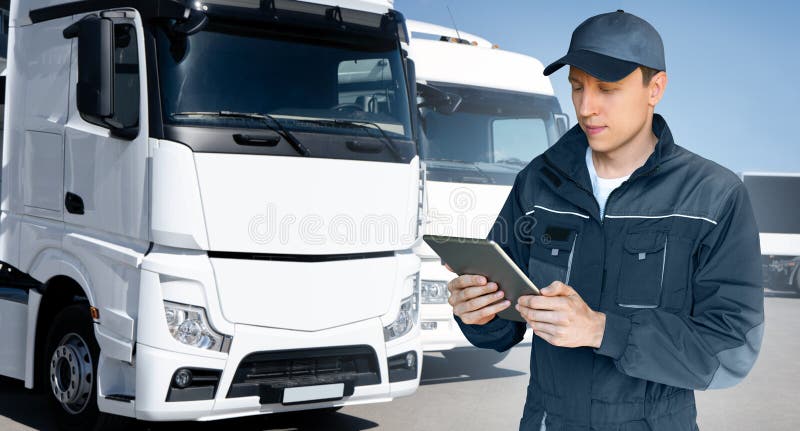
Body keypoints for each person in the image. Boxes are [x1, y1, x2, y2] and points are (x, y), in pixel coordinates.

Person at [446, 10, 764, 431]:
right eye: (577, 86)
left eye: (607, 89)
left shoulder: (713, 196)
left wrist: (601, 330)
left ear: (655, 89)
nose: (586, 106)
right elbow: (503, 324)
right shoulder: (538, 182)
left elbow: (731, 347)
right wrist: (478, 313)